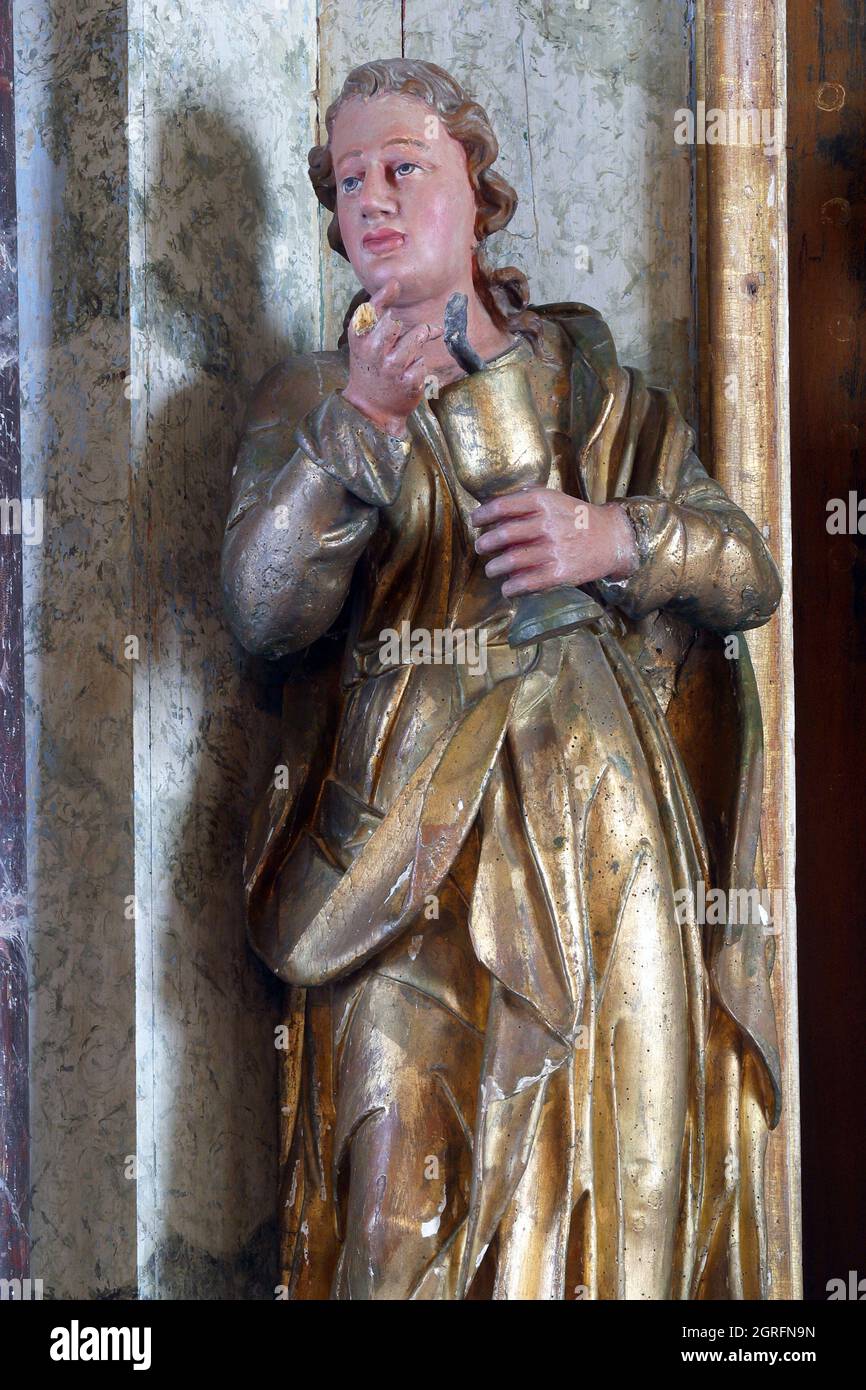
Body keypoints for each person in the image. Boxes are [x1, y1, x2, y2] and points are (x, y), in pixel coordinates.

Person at [221, 58, 783, 1300]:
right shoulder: (317, 397)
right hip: (401, 852)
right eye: (346, 180)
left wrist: (615, 538)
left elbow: (745, 567)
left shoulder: (602, 398)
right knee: (393, 1208)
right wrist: (355, 434)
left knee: (613, 1172)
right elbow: (262, 610)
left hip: (603, 829)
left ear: (475, 190)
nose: (367, 200)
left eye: (401, 167)